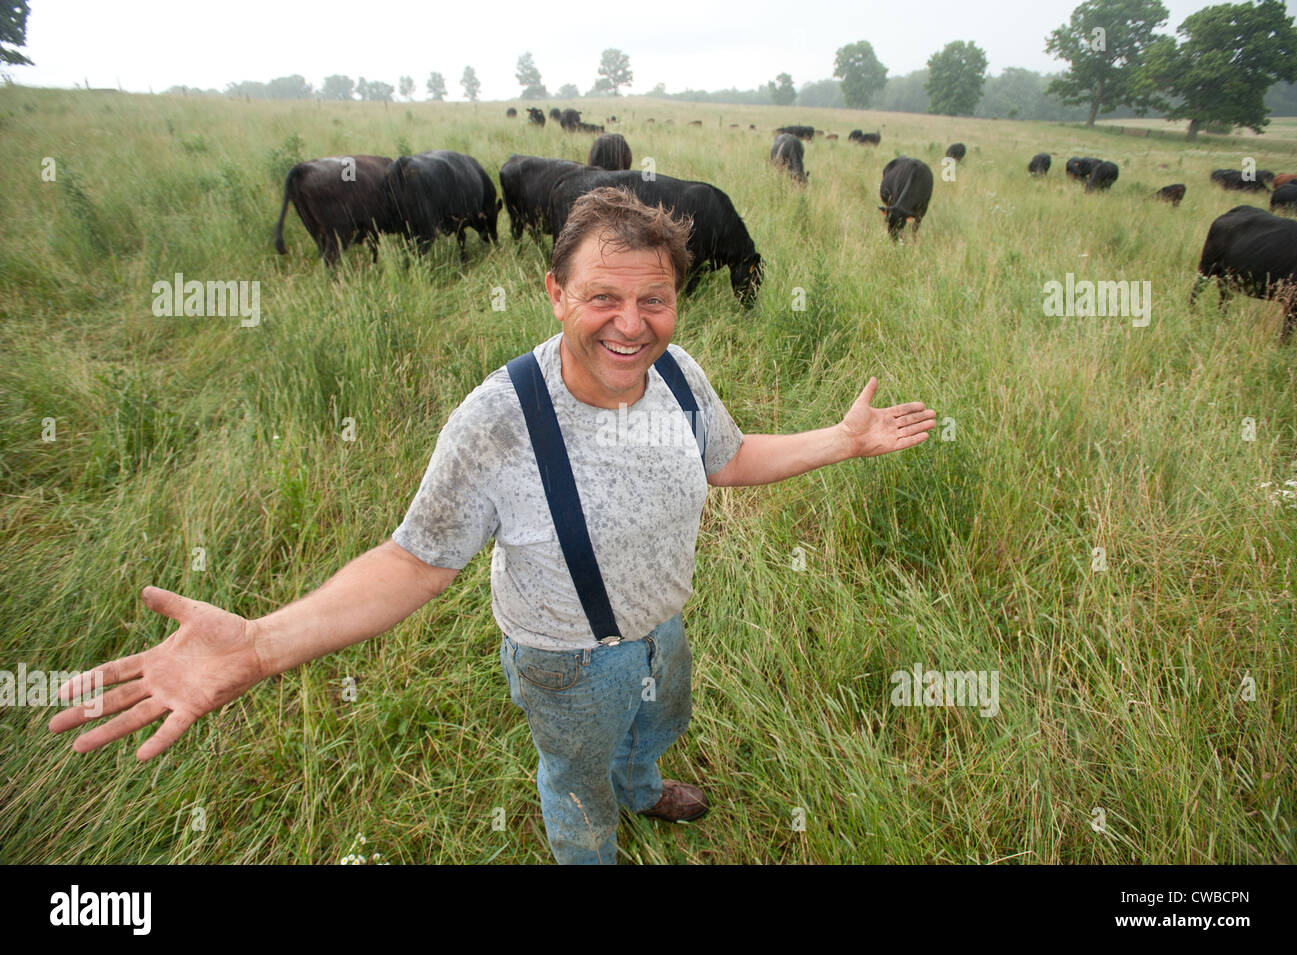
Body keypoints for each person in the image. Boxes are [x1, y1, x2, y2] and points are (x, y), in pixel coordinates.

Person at [48, 186, 937, 864]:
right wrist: (258, 645)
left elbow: (728, 459)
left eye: (655, 300)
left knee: (659, 716)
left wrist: (842, 440)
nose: (631, 325)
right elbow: (410, 561)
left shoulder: (678, 374)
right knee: (575, 779)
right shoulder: (498, 419)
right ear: (555, 293)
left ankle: (643, 786)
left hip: (662, 621)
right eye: (602, 298)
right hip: (568, 659)